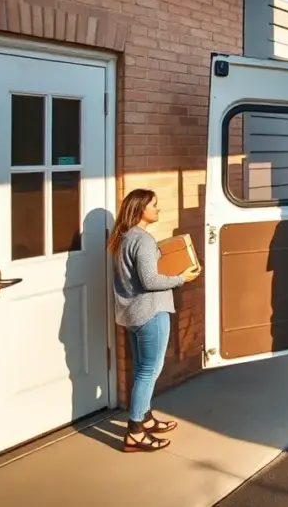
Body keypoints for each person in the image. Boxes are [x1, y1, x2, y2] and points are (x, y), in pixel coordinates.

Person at [110, 188, 201, 453]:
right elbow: (150, 281)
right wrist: (182, 278)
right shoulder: (143, 240)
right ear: (141, 210)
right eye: (155, 205)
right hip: (151, 313)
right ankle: (135, 431)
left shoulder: (123, 238)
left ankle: (146, 416)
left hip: (132, 314)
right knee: (149, 371)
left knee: (141, 368)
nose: (158, 209)